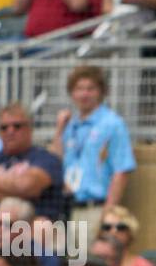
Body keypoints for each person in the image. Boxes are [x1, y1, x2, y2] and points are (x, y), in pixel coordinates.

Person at [48, 65, 136, 232]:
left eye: (90, 89)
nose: (84, 94)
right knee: (66, 258)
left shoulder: (112, 123)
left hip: (93, 207)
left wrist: (108, 213)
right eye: (79, 89)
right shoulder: (70, 125)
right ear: (72, 93)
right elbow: (56, 161)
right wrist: (59, 130)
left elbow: (121, 171)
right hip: (66, 206)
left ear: (101, 92)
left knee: (88, 258)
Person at [0, 104, 66, 222]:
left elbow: (27, 186)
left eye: (17, 126)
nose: (10, 131)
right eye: (4, 127)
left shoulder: (46, 158)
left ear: (30, 129)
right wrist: (19, 194)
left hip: (29, 231)